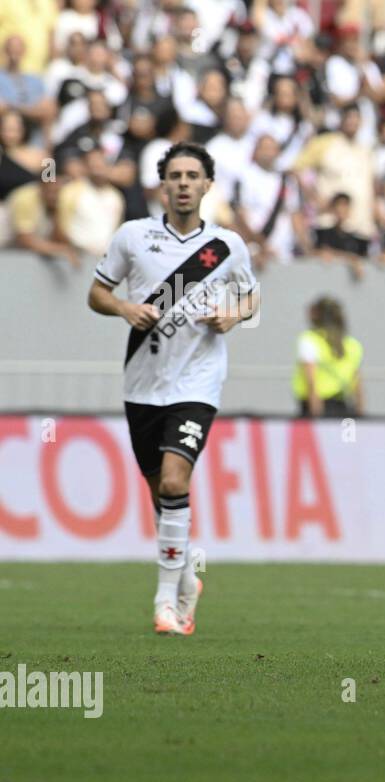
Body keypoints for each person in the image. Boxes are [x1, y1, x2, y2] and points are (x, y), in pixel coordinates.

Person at [86, 141, 260, 636]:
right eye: (175, 176)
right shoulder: (132, 237)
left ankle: (167, 603)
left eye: (192, 175)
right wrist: (124, 308)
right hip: (143, 379)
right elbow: (96, 292)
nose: (183, 183)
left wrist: (233, 315)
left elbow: (250, 298)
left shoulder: (226, 246)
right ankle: (186, 575)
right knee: (159, 491)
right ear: (162, 185)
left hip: (198, 381)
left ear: (207, 185)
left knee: (173, 481)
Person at [294, 296, 364, 417]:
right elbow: (357, 385)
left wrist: (315, 415)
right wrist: (360, 412)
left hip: (317, 407)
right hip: (343, 407)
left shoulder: (309, 340)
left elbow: (311, 383)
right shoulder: (352, 344)